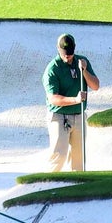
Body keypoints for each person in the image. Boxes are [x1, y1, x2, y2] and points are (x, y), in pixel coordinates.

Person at [42, 34, 101, 172]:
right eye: (64, 54)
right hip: (59, 117)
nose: (67, 56)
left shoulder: (82, 61)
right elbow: (53, 99)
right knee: (59, 156)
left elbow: (96, 86)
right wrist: (75, 99)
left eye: (70, 53)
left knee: (78, 159)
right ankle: (49, 187)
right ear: (58, 49)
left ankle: (77, 188)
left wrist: (84, 71)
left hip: (79, 115)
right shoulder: (52, 69)